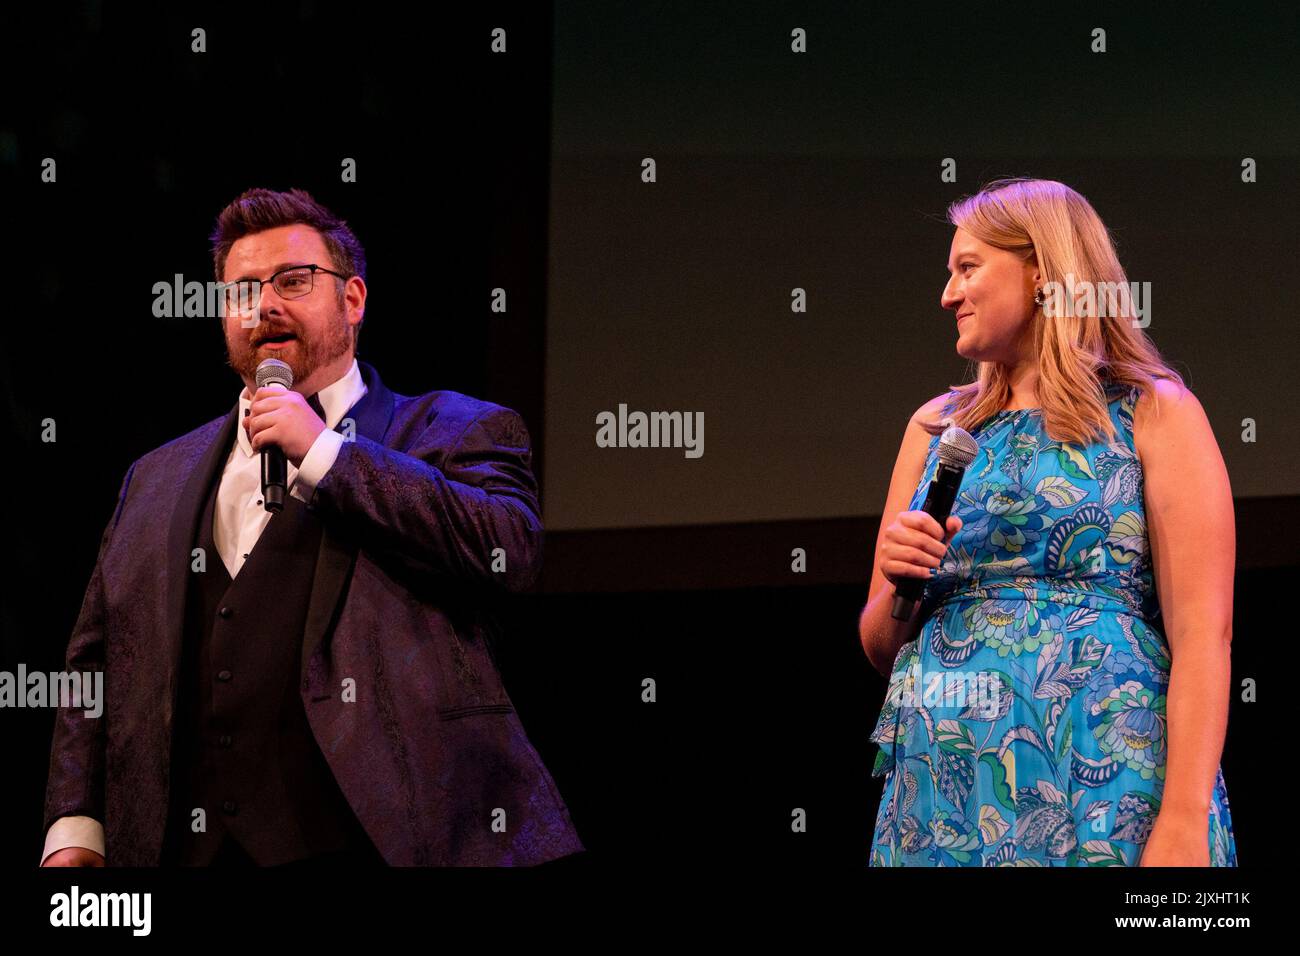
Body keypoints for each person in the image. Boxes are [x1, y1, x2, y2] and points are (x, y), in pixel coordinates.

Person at [41, 187, 584, 866]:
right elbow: (97, 658)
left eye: (294, 282)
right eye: (242, 292)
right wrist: (76, 825)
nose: (265, 306)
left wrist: (325, 455)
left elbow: (510, 549)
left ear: (352, 300)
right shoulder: (154, 478)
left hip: (392, 843)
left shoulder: (454, 429)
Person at [859, 178, 1238, 867]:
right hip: (945, 789)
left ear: (1042, 270)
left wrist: (1182, 819)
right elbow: (882, 646)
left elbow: (1203, 634)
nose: (947, 294)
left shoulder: (1153, 412)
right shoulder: (935, 428)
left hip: (1106, 770)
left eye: (967, 267)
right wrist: (897, 580)